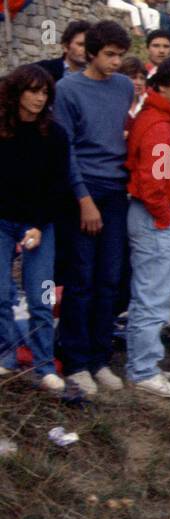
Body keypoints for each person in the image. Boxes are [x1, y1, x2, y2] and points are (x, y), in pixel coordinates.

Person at [52, 20, 136, 397]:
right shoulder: (66, 89)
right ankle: (76, 362)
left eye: (120, 55)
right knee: (81, 279)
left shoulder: (124, 87)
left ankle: (100, 359)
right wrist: (83, 199)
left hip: (116, 191)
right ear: (90, 53)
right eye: (109, 55)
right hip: (82, 191)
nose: (116, 62)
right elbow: (64, 149)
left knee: (110, 278)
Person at [124, 56, 170, 397]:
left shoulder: (165, 119)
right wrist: (164, 216)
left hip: (158, 214)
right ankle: (141, 369)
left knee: (154, 295)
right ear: (162, 86)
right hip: (154, 215)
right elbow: (149, 179)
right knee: (152, 297)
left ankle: (145, 363)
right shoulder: (157, 122)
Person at [0, 66, 69, 392]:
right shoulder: (2, 129)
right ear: (17, 92)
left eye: (45, 93)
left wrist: (39, 226)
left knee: (41, 296)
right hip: (2, 222)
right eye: (33, 91)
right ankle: (6, 357)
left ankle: (44, 366)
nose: (40, 98)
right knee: (1, 293)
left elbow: (57, 187)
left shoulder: (54, 135)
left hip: (39, 223)